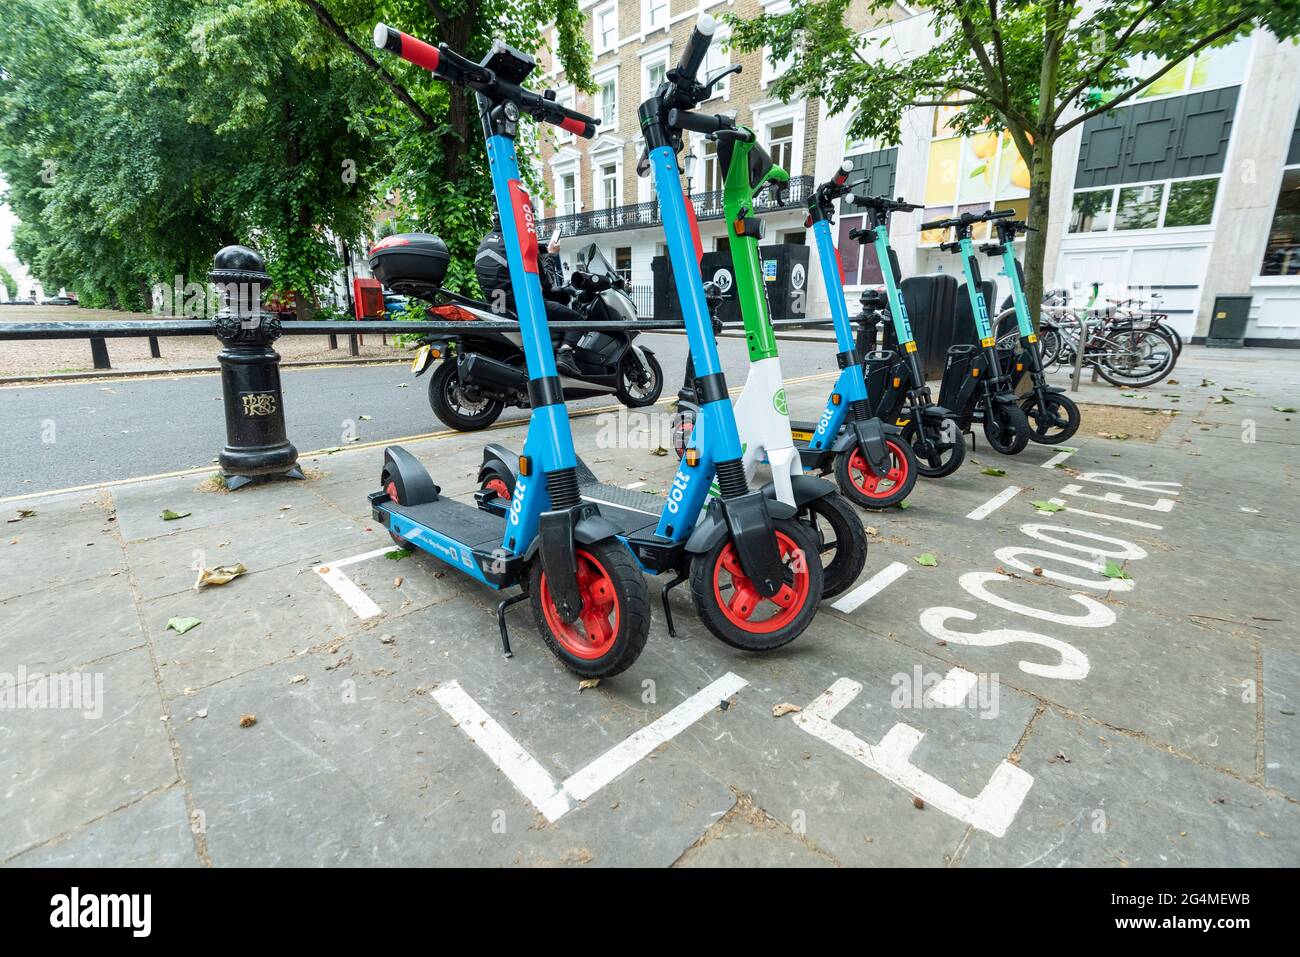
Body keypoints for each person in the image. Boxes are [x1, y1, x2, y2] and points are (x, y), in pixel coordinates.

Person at [475, 212, 582, 375]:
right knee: (576, 319)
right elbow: (546, 285)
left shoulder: (485, 242)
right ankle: (565, 354)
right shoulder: (520, 243)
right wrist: (551, 254)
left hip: (497, 304)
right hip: (522, 305)